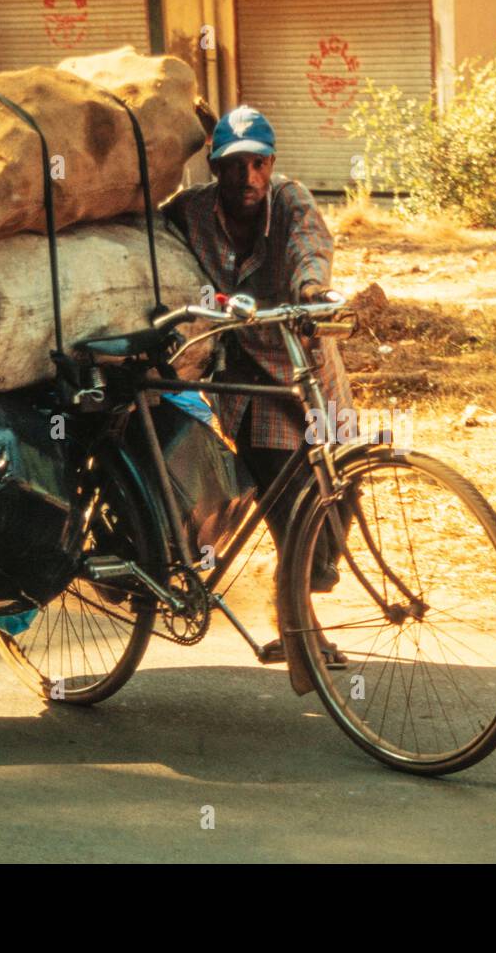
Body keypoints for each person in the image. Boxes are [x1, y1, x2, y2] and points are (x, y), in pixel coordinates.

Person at [161, 106, 353, 665]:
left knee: (339, 494)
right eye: (235, 166)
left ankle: (297, 596)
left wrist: (313, 293)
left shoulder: (291, 201)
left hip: (309, 368)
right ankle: (297, 628)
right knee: (287, 504)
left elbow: (309, 250)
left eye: (259, 164)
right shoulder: (190, 212)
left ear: (272, 165)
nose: (249, 179)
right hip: (248, 380)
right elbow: (152, 242)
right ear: (214, 168)